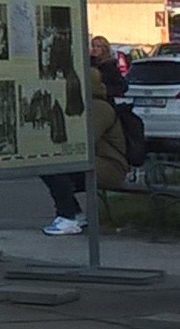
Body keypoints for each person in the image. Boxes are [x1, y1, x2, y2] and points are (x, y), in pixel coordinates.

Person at [41, 66, 129, 233]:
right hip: (95, 162)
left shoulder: (99, 107)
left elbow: (87, 139)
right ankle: (72, 212)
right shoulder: (87, 104)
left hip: (110, 167)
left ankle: (68, 215)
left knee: (56, 167)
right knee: (49, 165)